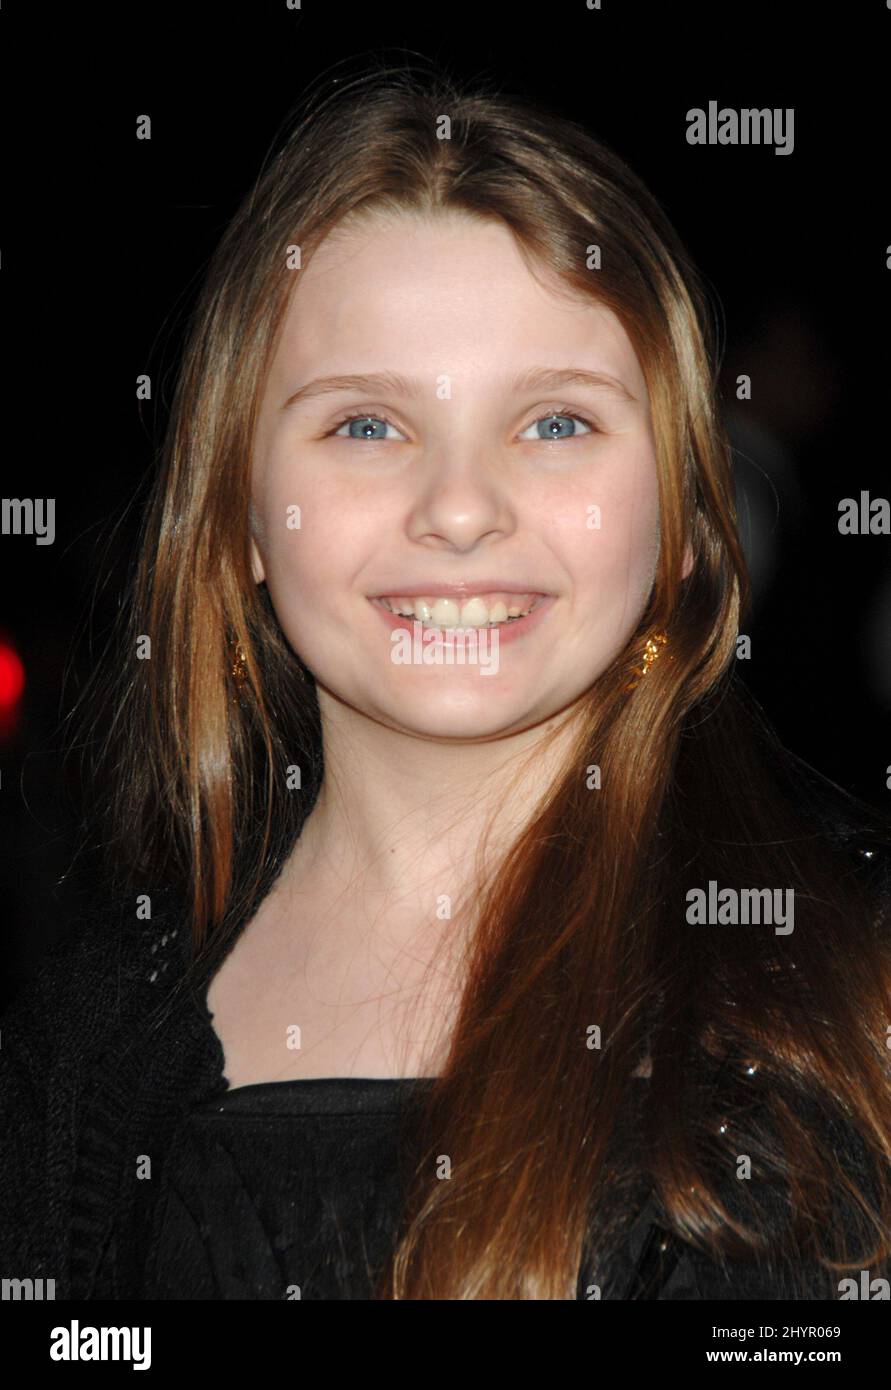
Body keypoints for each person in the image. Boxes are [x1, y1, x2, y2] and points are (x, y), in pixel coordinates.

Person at [2, 59, 889, 1302]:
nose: (462, 509)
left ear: (685, 513)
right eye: (368, 424)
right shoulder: (80, 1053)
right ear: (243, 512)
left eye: (555, 421)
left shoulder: (846, 1003)